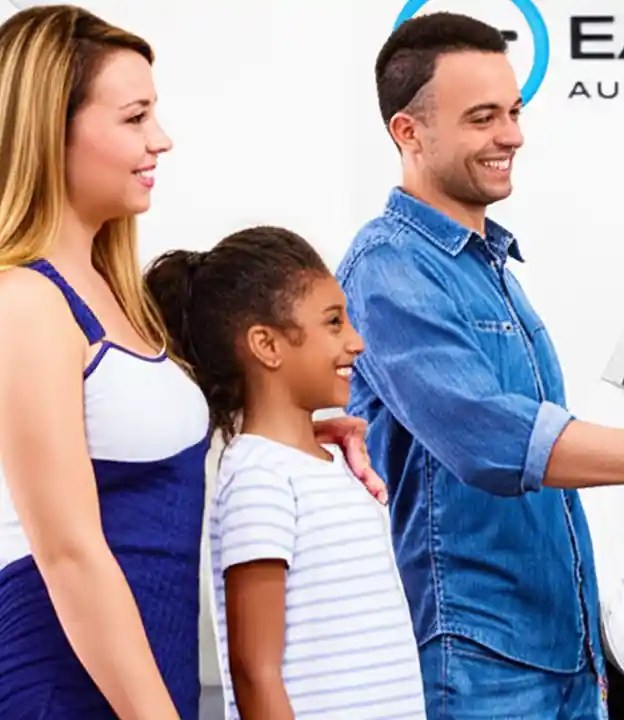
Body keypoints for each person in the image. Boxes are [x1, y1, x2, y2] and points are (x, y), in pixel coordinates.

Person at [336, 11, 624, 718]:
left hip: (565, 654)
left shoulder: (489, 266)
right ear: (408, 132)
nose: (512, 136)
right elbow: (492, 440)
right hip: (481, 669)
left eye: (514, 112)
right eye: (482, 118)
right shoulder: (387, 270)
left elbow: (542, 443)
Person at [0, 6, 382, 719]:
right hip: (65, 682)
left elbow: (137, 449)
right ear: (52, 129)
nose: (161, 140)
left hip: (148, 672)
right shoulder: (25, 300)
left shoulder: (114, 293)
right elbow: (71, 554)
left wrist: (293, 431)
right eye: (135, 117)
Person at [145, 226, 427, 720]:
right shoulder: (260, 479)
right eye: (334, 322)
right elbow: (255, 671)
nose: (356, 342)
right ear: (267, 345)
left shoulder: (331, 465)